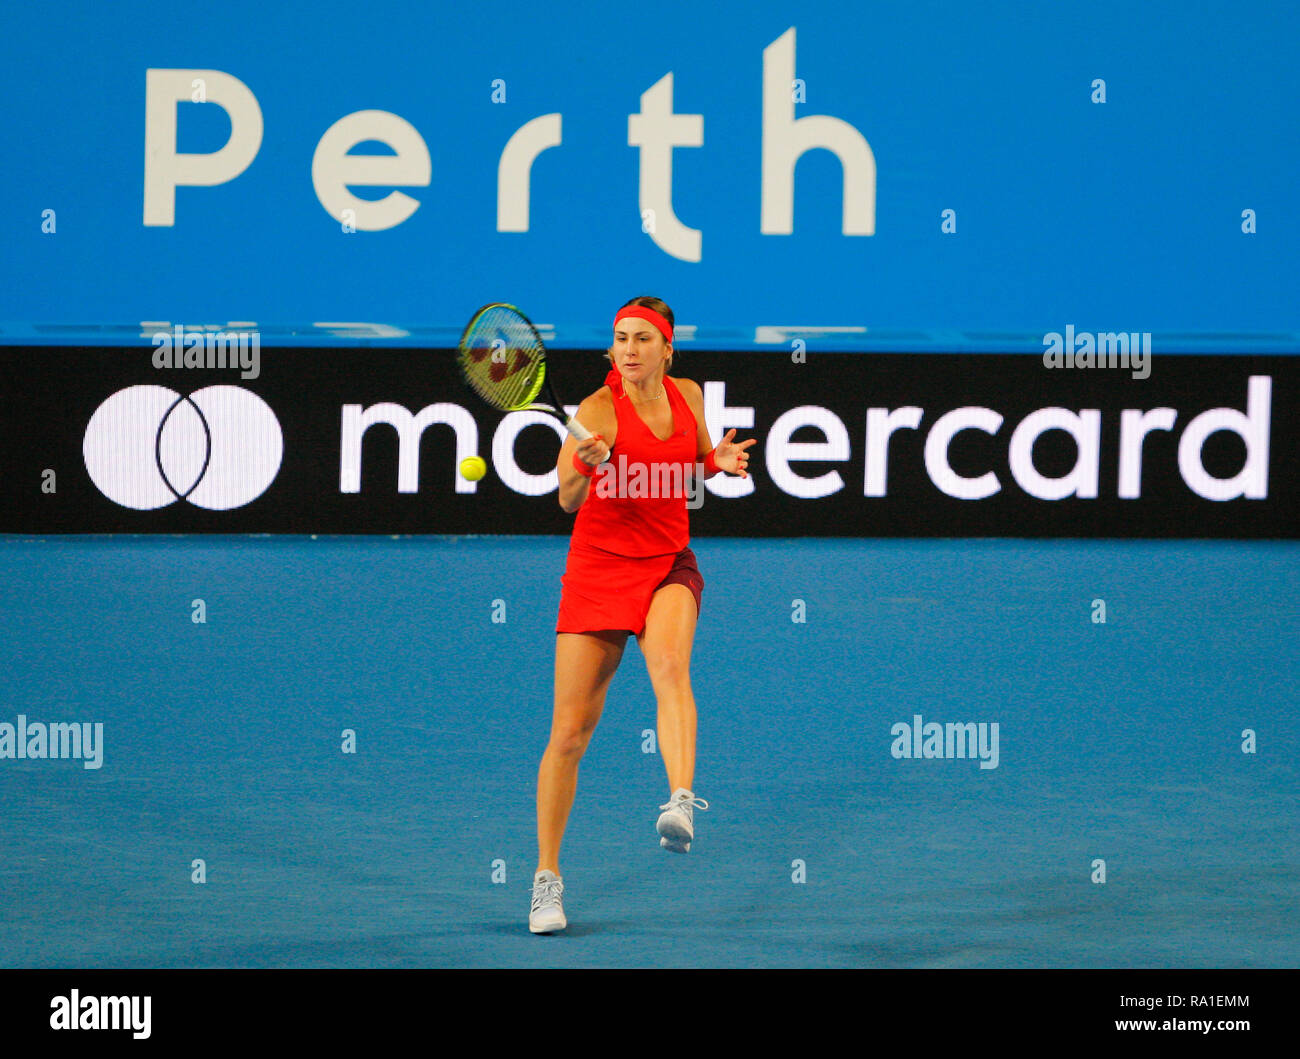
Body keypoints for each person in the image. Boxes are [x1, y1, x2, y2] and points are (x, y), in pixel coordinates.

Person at [529, 296, 755, 934]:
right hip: (599, 573)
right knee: (570, 734)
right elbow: (567, 501)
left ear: (667, 348)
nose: (627, 349)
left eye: (641, 339)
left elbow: (695, 459)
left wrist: (718, 462)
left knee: (670, 666)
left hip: (666, 563)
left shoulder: (688, 394)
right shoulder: (597, 412)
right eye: (619, 339)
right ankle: (547, 879)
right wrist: (584, 463)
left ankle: (680, 801)